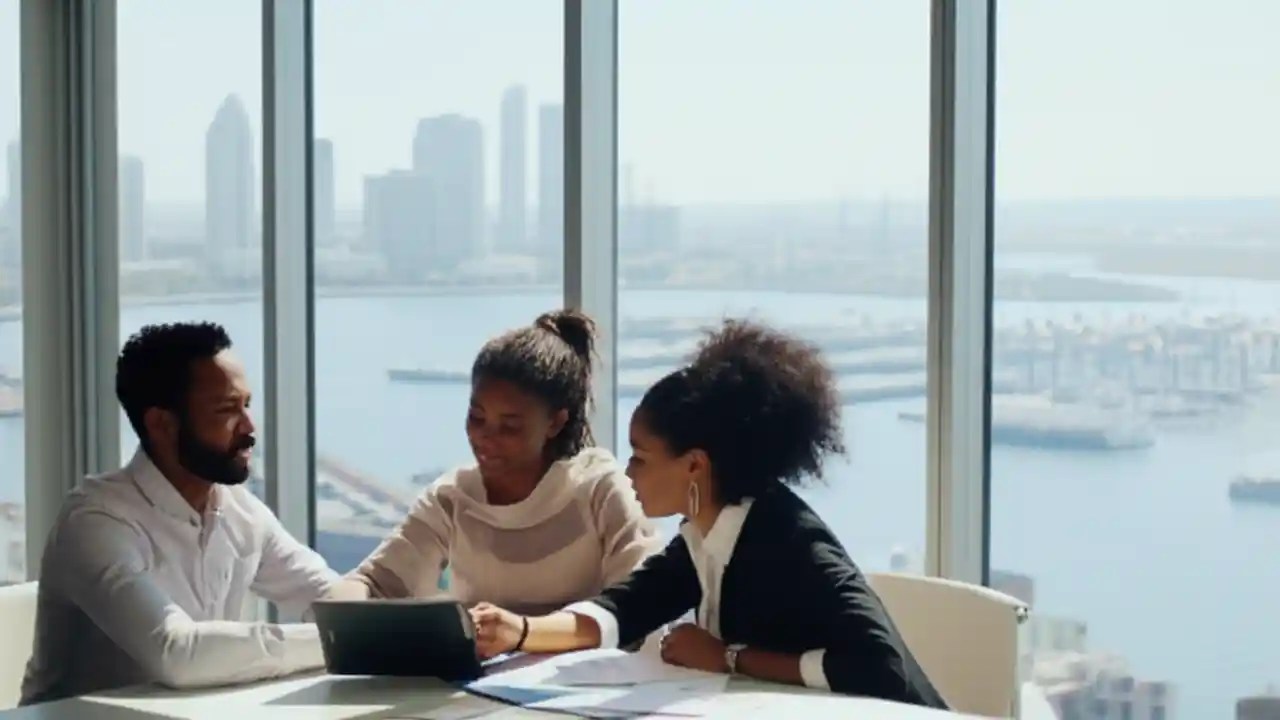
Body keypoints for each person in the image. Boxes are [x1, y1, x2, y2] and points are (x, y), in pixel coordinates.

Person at [470, 319, 948, 708]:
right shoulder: (707, 536)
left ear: (694, 465)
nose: (627, 471)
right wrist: (520, 632)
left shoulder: (789, 542)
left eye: (640, 456)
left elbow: (878, 666)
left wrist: (730, 658)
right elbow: (624, 610)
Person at [20, 323, 338, 705]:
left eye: (246, 406)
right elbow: (178, 654)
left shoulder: (241, 512)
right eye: (227, 410)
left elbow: (338, 604)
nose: (250, 428)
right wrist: (336, 640)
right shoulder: (96, 521)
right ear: (162, 424)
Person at [327, 310, 657, 616]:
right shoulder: (453, 498)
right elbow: (376, 583)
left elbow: (638, 601)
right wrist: (333, 610)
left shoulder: (598, 488)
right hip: (478, 678)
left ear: (555, 423)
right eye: (477, 417)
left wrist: (527, 634)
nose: (486, 436)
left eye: (510, 426)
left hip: (586, 676)